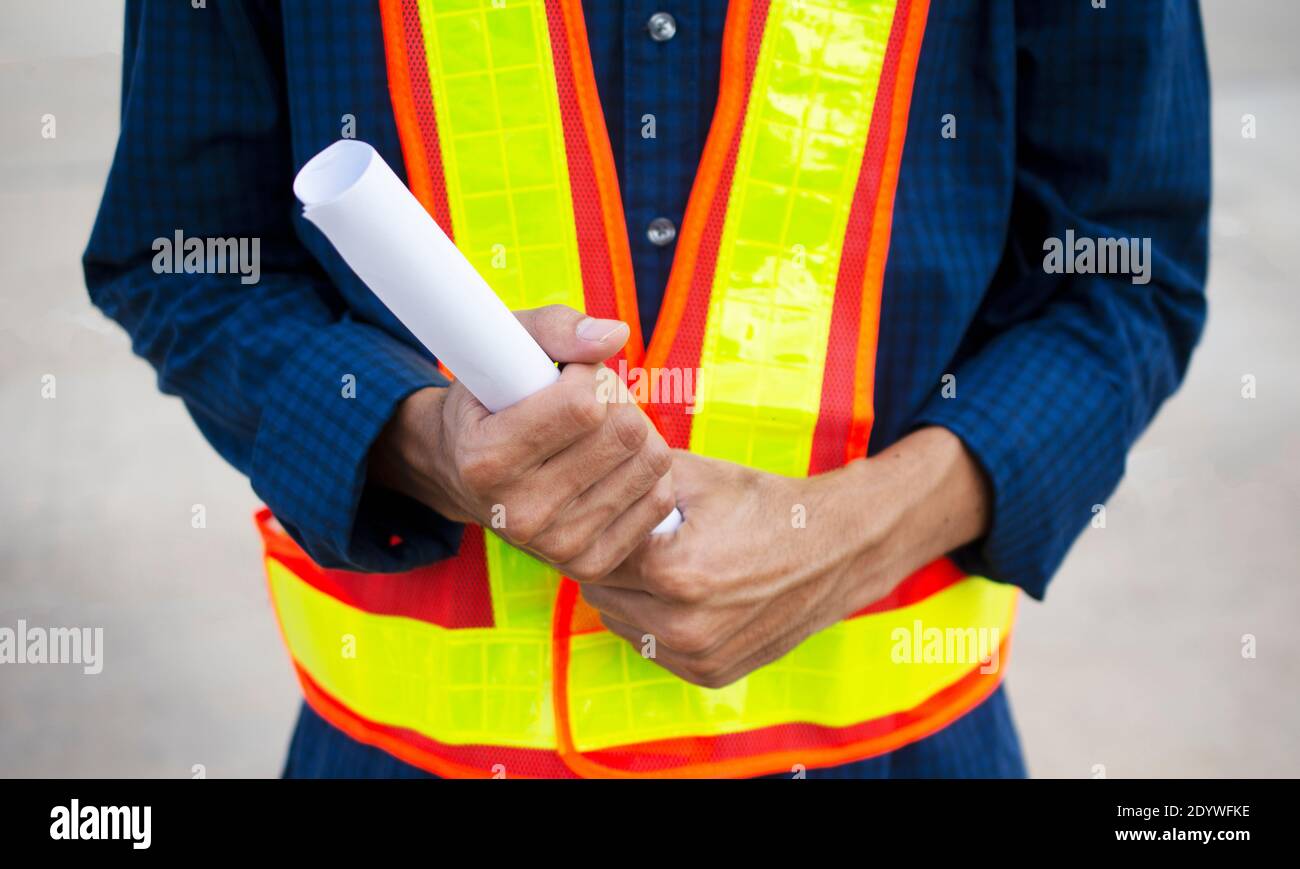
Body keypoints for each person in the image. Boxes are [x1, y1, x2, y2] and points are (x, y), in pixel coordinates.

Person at [84, 0, 1210, 778]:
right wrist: (418, 436)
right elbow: (185, 252)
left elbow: (1126, 268)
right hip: (410, 754)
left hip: (894, 749)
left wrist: (849, 534)